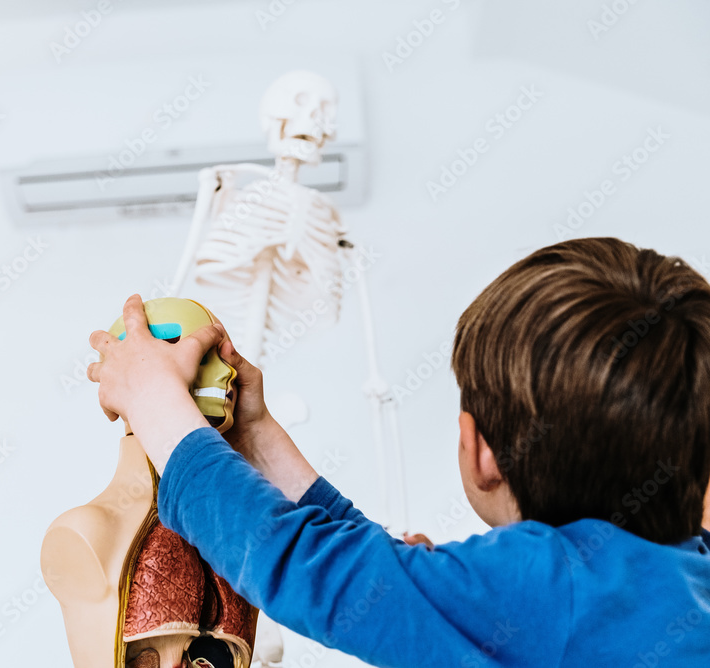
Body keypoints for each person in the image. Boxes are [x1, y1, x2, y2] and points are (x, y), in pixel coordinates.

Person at [86, 237, 710, 666]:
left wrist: (155, 402)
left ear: (479, 450)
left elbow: (313, 570)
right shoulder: (685, 572)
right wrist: (255, 435)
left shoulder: (550, 588)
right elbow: (374, 571)